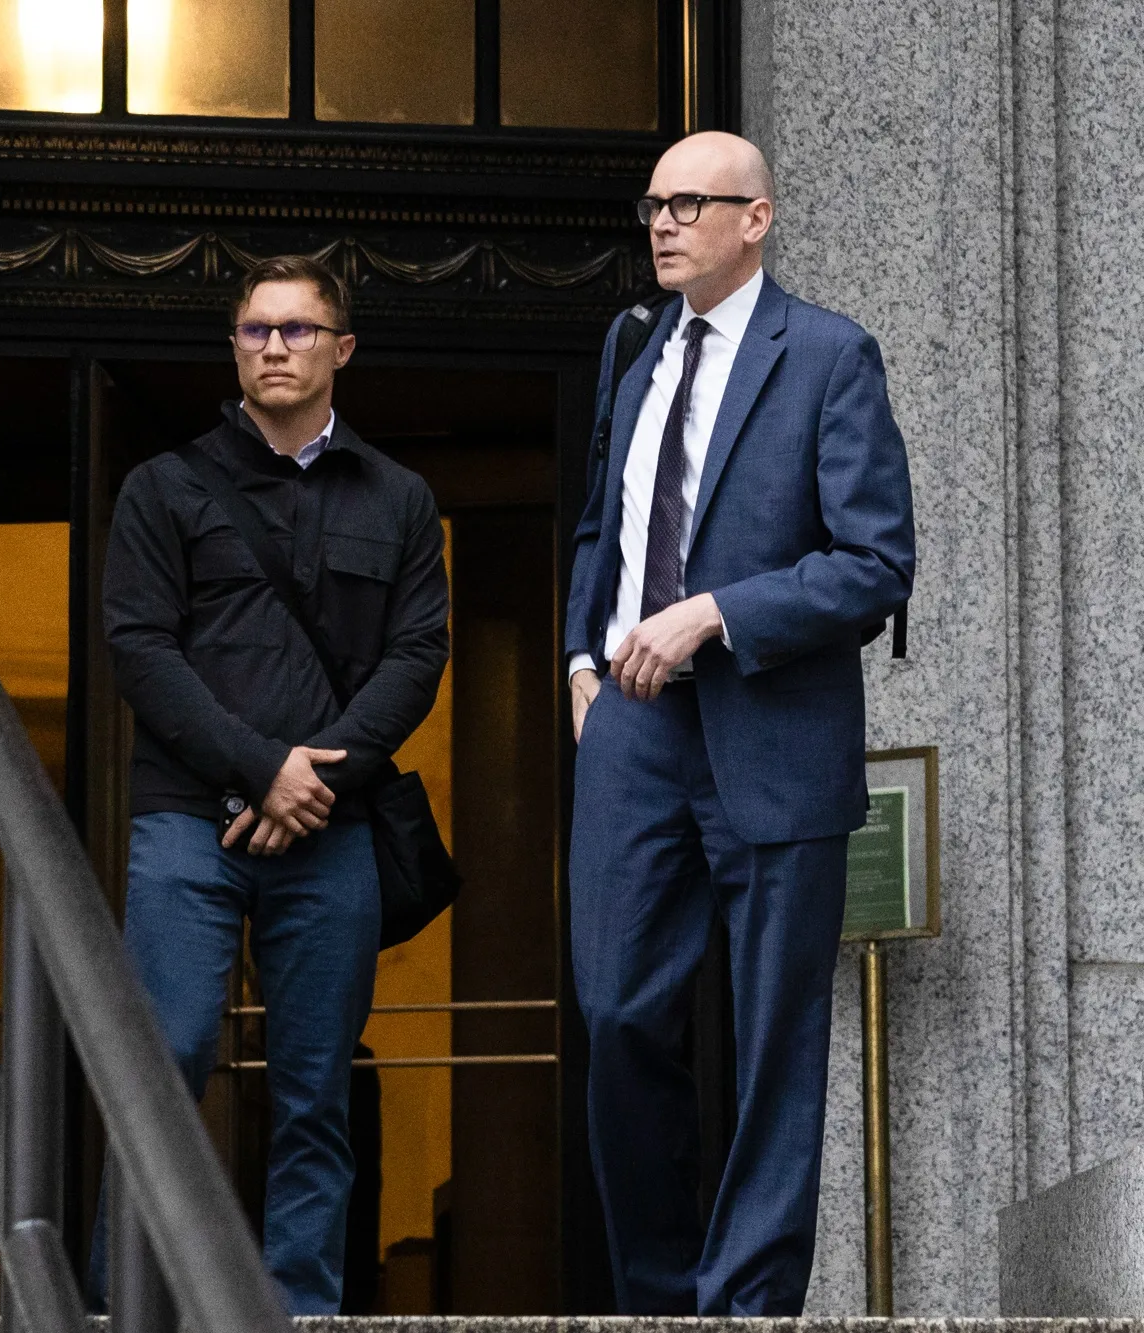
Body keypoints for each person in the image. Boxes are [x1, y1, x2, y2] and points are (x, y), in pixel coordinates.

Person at [564, 131, 916, 1315]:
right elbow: (602, 525)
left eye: (687, 203)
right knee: (617, 1011)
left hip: (770, 729)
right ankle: (661, 1293)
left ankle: (748, 1301)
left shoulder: (825, 355)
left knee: (773, 1037)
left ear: (754, 219)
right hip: (629, 728)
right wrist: (579, 652)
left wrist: (714, 612)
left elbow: (874, 562)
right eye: (651, 205)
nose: (661, 224)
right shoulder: (628, 346)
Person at [95, 254, 449, 1313]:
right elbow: (140, 649)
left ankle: (301, 1307)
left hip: (331, 831)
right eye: (256, 330)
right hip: (186, 822)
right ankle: (128, 1301)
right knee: (164, 1058)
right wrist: (265, 770)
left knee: (316, 1088)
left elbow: (416, 656)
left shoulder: (398, 498)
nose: (275, 347)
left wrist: (314, 780)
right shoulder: (163, 487)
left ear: (342, 349)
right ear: (234, 348)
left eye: (297, 330)